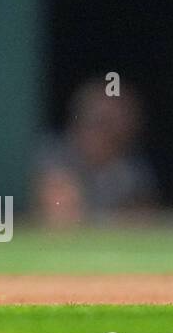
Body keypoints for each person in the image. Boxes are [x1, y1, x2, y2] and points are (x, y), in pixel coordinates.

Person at [34, 78, 158, 225]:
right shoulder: (55, 152)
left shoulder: (132, 167)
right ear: (79, 120)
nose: (109, 132)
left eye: (118, 123)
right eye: (102, 121)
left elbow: (143, 220)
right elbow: (59, 213)